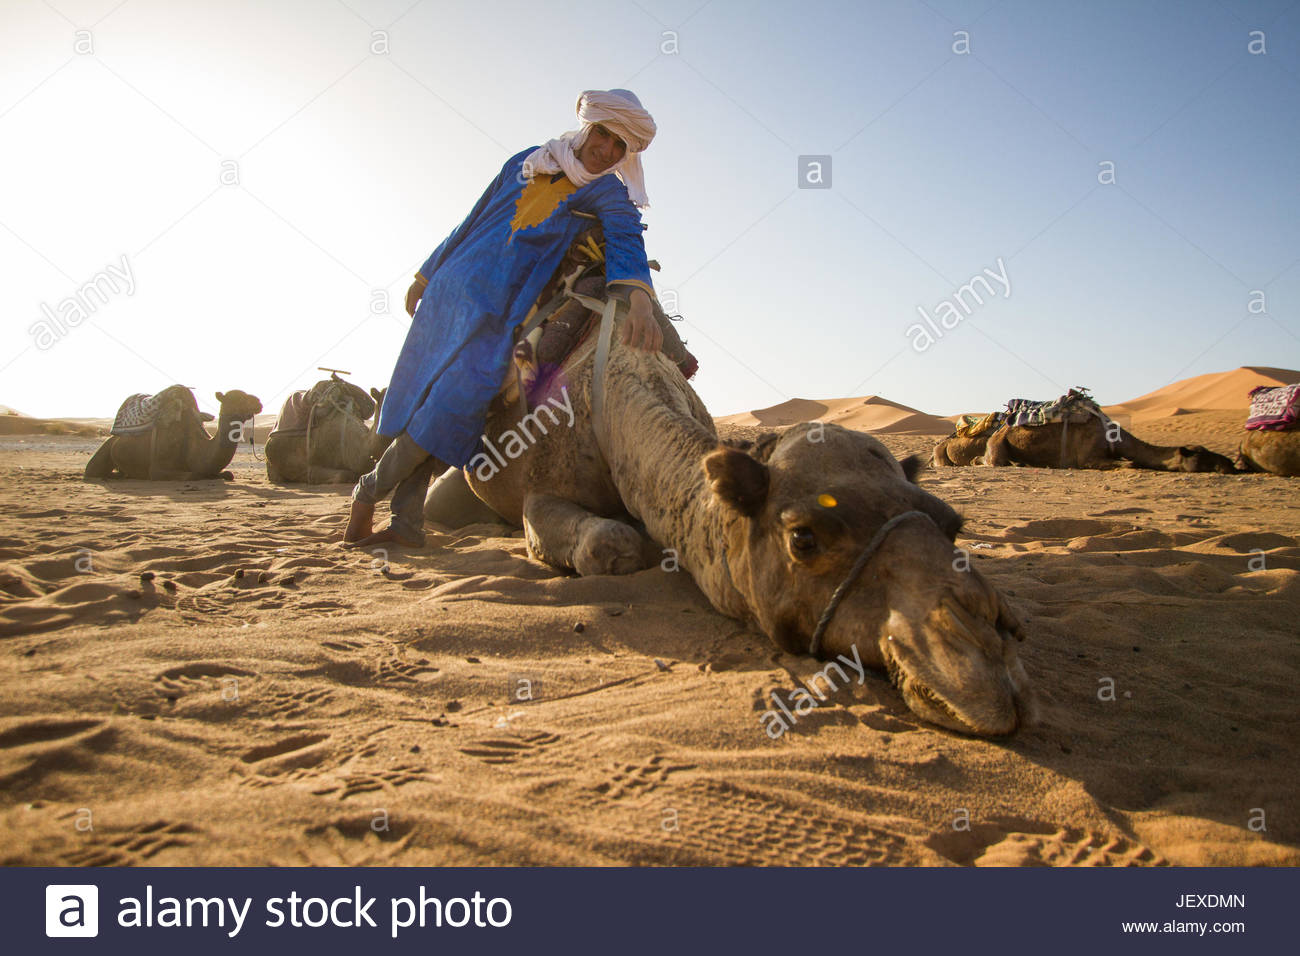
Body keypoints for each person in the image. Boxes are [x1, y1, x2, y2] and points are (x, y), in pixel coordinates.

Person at [344, 89, 663, 549]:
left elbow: (627, 238)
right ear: (587, 127)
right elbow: (471, 219)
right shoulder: (527, 161)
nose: (607, 151)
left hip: (502, 310)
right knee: (420, 401)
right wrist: (425, 273)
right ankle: (406, 523)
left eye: (620, 147)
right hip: (450, 294)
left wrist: (638, 300)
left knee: (448, 409)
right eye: (604, 136)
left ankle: (367, 491)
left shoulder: (607, 191)